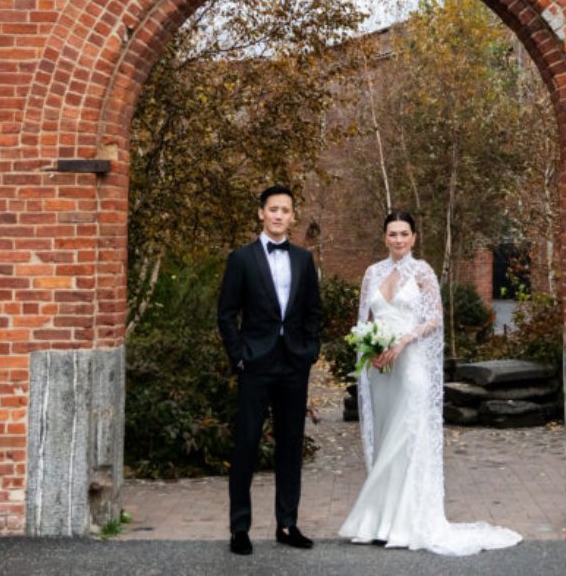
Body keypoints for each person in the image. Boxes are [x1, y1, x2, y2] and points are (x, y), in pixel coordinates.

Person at [338, 211, 523, 556]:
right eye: (392, 234)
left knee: (406, 440)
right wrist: (371, 349)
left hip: (410, 368)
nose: (397, 240)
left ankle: (408, 523)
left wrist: (403, 341)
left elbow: (435, 317)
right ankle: (380, 522)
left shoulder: (422, 272)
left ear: (414, 237)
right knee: (385, 440)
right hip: (382, 371)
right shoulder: (371, 273)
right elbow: (366, 319)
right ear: (384, 238)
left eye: (404, 234)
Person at [216, 185, 323, 556]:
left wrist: (309, 351)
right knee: (246, 443)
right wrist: (239, 356)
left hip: (293, 363)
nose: (279, 215)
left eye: (286, 210)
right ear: (261, 213)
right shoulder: (241, 259)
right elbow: (226, 314)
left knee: (290, 446)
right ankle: (240, 528)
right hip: (255, 364)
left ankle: (287, 524)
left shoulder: (303, 260)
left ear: (293, 216)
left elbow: (313, 311)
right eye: (273, 209)